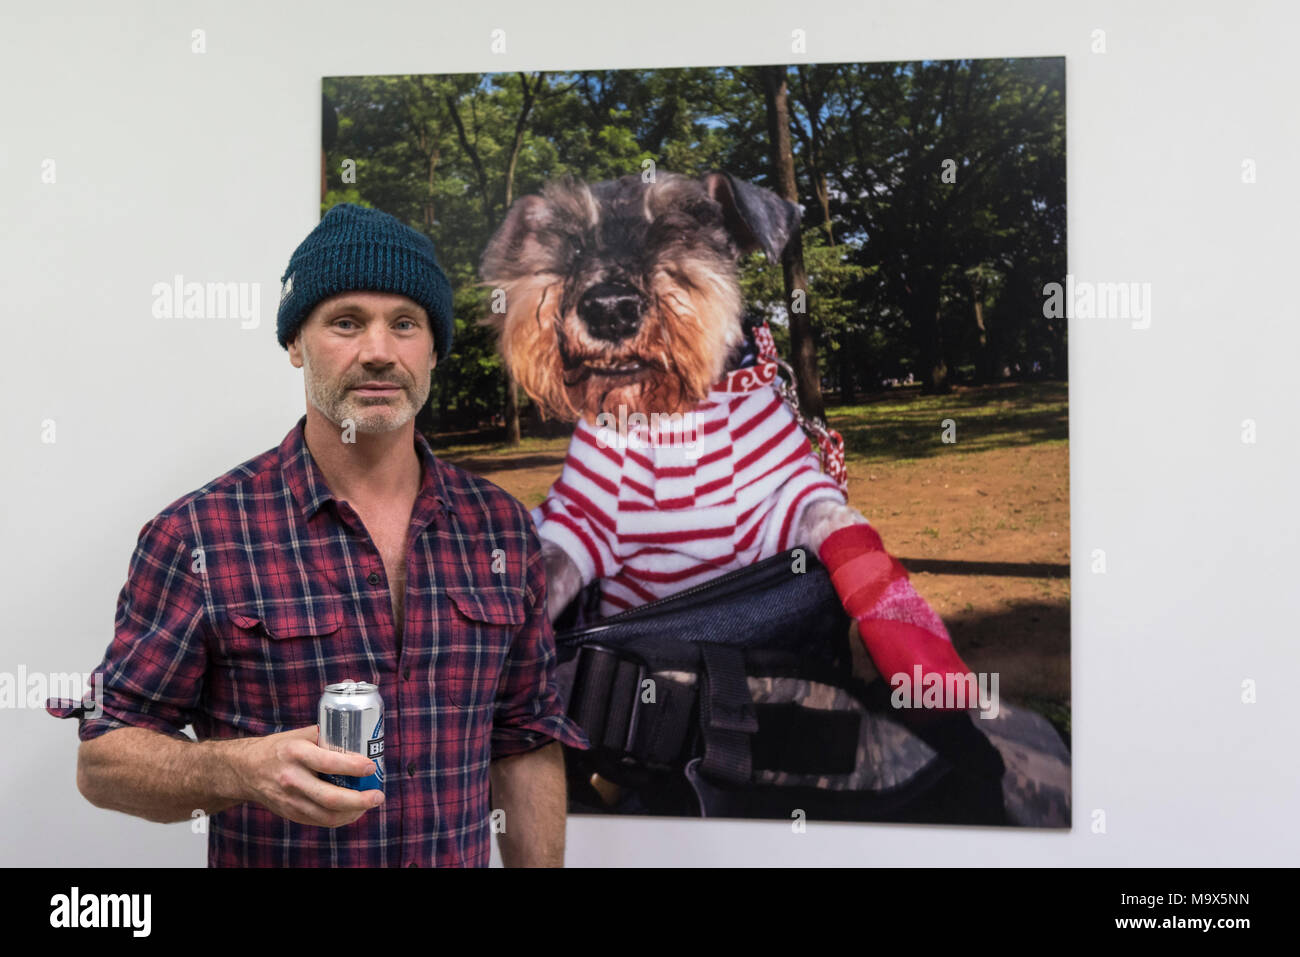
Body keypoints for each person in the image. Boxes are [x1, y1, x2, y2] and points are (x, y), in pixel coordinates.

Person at [47, 203, 590, 867]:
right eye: (346, 322)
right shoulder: (200, 533)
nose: (378, 352)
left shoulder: (500, 527)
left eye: (405, 324)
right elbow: (103, 758)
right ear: (296, 342)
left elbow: (525, 735)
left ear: (434, 348)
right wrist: (240, 769)